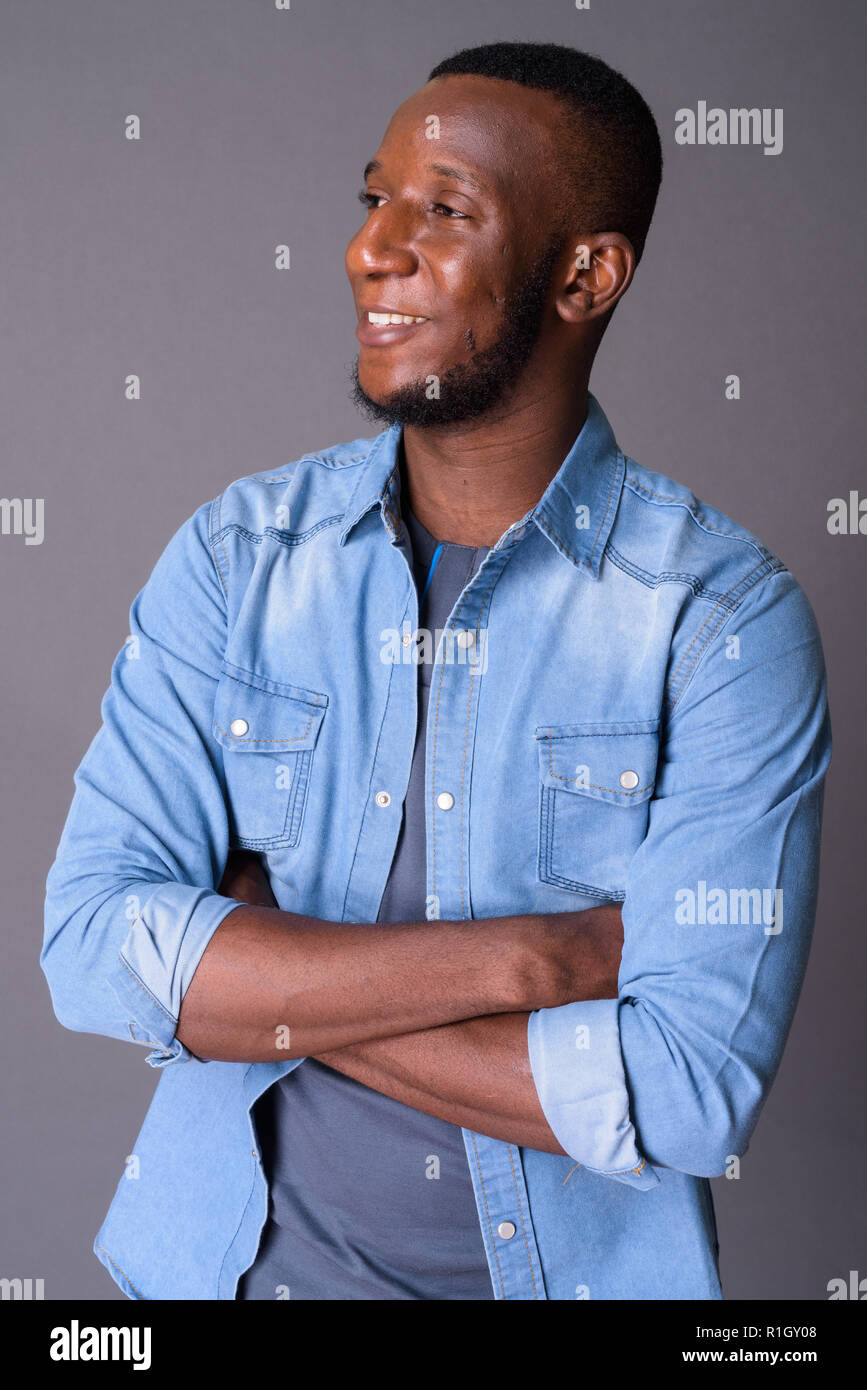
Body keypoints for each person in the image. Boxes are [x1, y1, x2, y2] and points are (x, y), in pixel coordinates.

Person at [42, 41, 831, 1301]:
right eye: (373, 200)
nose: (371, 249)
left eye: (444, 209)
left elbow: (684, 1095)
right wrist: (532, 964)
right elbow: (89, 948)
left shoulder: (722, 622)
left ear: (588, 273)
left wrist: (261, 975)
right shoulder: (237, 557)